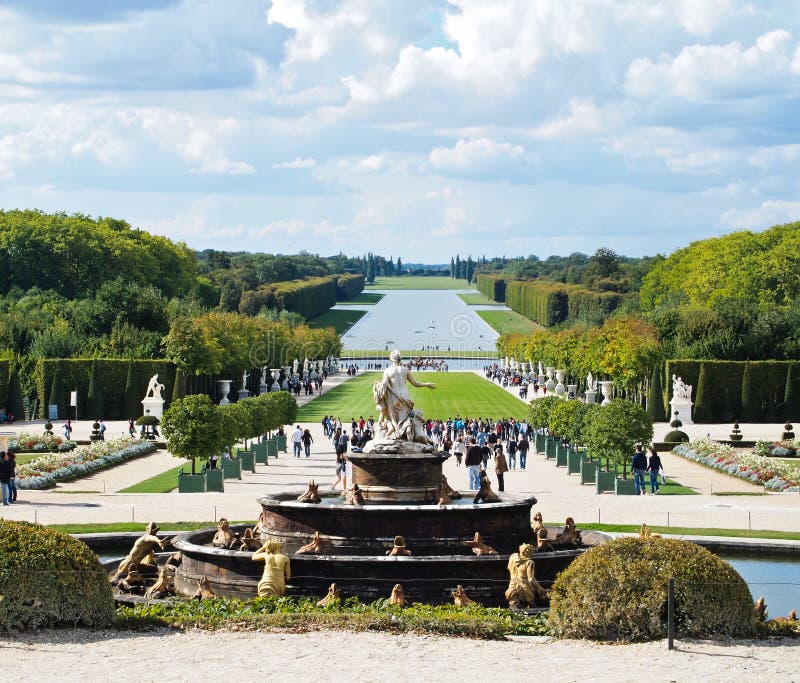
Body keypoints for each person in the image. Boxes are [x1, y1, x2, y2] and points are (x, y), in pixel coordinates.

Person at [372, 350, 435, 443]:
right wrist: (426, 384)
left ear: (391, 359)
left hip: (394, 397)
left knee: (392, 419)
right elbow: (415, 383)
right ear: (400, 359)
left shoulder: (387, 371)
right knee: (404, 420)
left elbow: (384, 385)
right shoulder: (405, 370)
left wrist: (378, 391)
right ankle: (405, 437)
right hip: (405, 397)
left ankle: (395, 432)